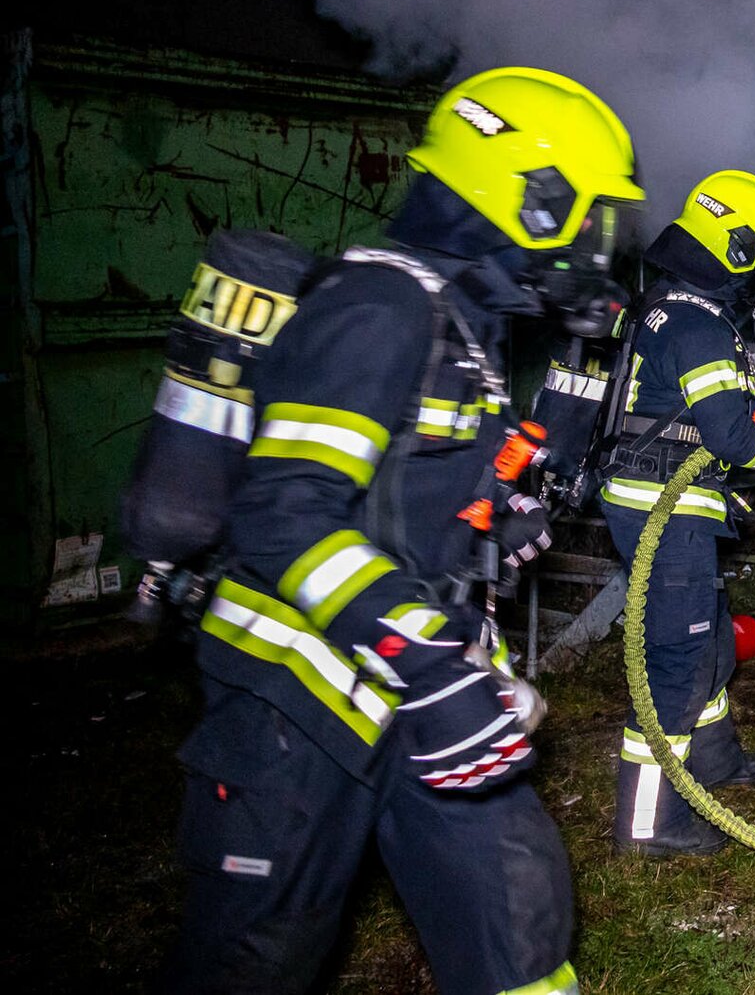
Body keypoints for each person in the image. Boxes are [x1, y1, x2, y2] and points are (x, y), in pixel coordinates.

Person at [162, 67, 644, 995]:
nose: (595, 251)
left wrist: (492, 525)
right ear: (528, 201)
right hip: (297, 703)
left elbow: (407, 489)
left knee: (519, 928)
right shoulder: (376, 309)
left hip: (424, 693)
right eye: (587, 221)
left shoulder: (459, 324)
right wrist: (424, 667)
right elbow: (283, 513)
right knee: (254, 963)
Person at [596, 170, 755, 857]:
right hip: (664, 512)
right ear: (734, 243)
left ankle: (714, 764)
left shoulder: (672, 308)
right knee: (677, 662)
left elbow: (703, 416)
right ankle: (649, 825)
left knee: (704, 644)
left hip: (661, 505)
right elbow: (733, 440)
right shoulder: (700, 325)